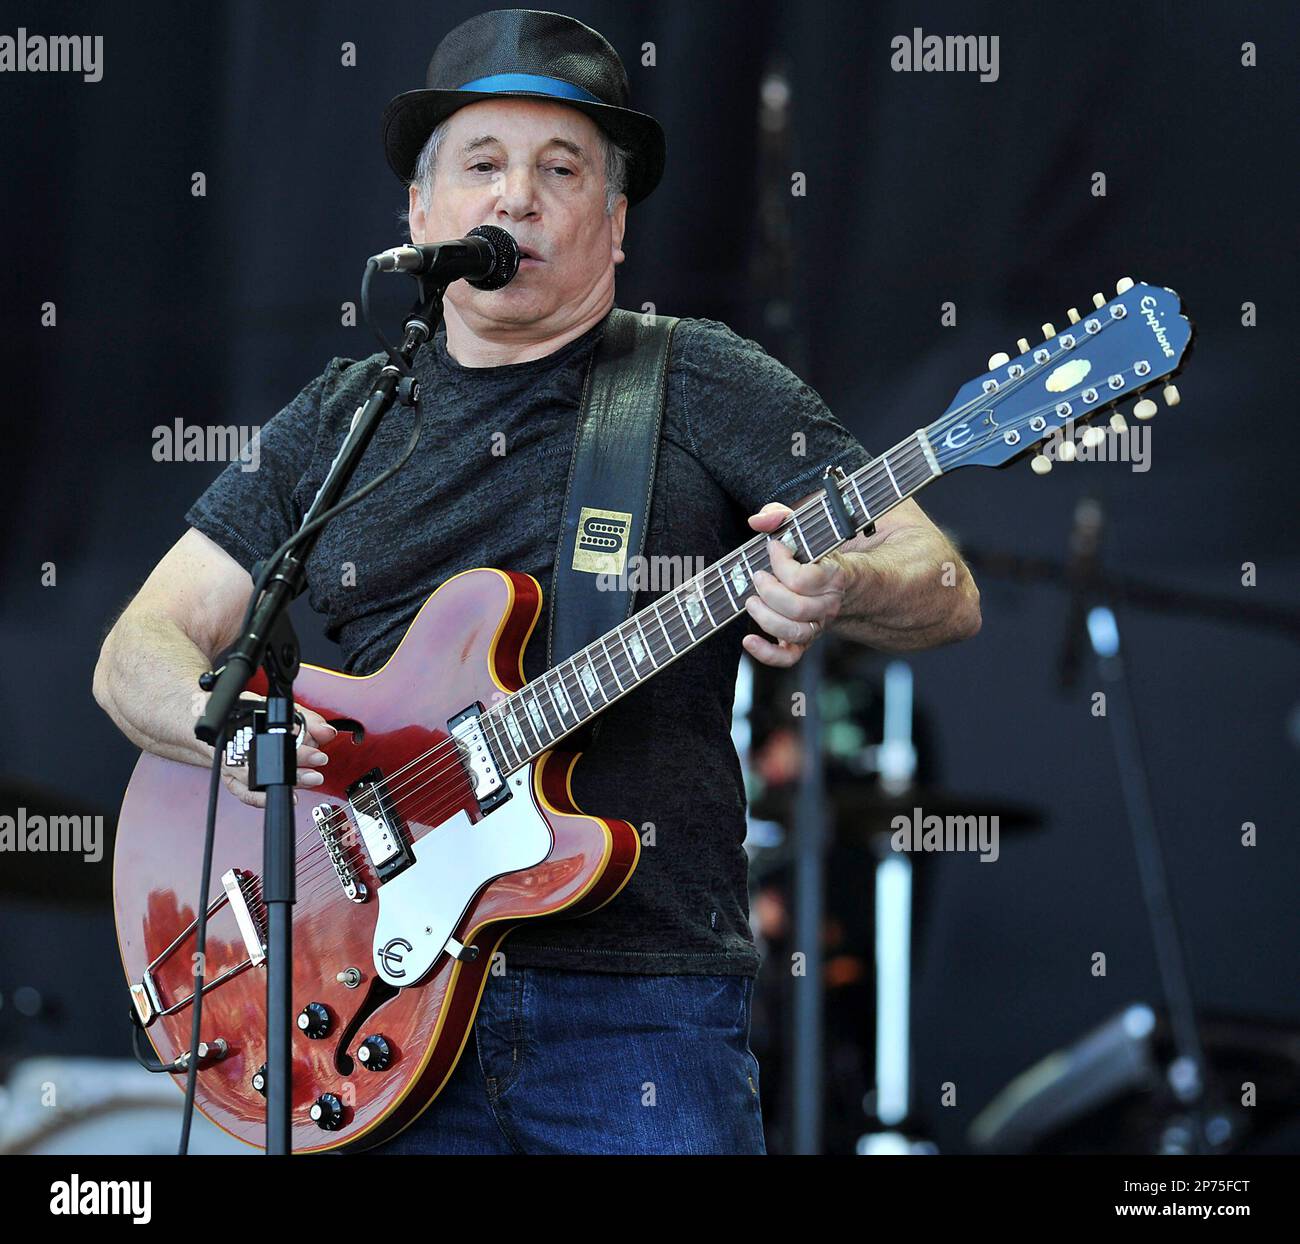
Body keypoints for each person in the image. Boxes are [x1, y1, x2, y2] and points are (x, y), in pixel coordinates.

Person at [93, 9, 980, 1155]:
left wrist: (844, 583)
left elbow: (940, 577)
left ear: (612, 227)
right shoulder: (346, 413)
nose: (513, 196)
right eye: (482, 164)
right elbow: (139, 650)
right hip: (375, 1012)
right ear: (421, 213)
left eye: (559, 170)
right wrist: (226, 737)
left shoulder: (700, 377)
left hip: (639, 1007)